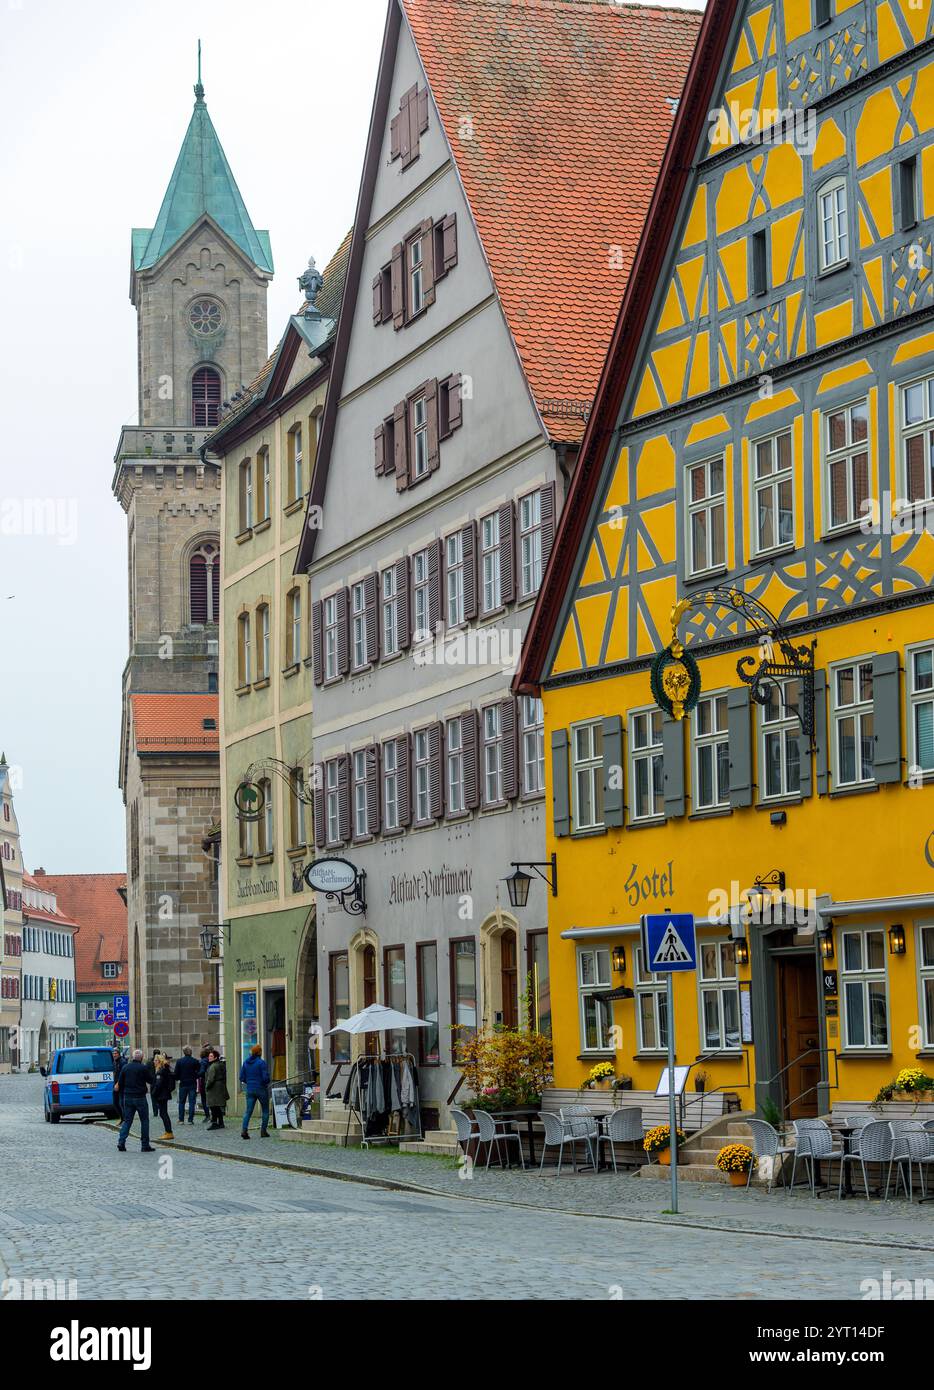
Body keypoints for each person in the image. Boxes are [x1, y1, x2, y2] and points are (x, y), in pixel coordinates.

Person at [116, 1049, 156, 1152]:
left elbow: (120, 1082)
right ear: (141, 1058)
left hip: (128, 1097)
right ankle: (145, 1145)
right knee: (144, 1121)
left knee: (127, 1120)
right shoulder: (143, 1068)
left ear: (133, 1057)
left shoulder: (125, 1067)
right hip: (140, 1097)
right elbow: (151, 1080)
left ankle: (121, 1141)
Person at [239, 1044, 271, 1139]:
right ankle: (263, 1131)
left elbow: (241, 1077)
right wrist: (266, 1082)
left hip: (250, 1089)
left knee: (248, 1111)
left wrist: (248, 1082)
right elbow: (265, 1078)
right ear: (259, 1052)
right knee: (265, 1110)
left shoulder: (245, 1063)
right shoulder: (261, 1063)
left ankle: (244, 1130)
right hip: (261, 1089)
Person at [151, 1053, 176, 1140]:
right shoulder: (164, 1070)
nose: (154, 1062)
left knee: (163, 1114)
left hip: (162, 1095)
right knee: (163, 1113)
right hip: (164, 1094)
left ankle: (169, 1132)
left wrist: (153, 1093)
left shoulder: (160, 1071)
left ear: (159, 1061)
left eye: (155, 1060)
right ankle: (168, 1131)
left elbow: (158, 1084)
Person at [175, 1045, 200, 1126]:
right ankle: (190, 1120)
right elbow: (199, 1071)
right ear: (191, 1052)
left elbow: (176, 1073)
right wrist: (195, 1076)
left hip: (183, 1084)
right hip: (192, 1083)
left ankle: (181, 1119)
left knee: (181, 1102)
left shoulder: (179, 1061)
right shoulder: (195, 1061)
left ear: (184, 1052)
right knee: (192, 1102)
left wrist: (179, 1078)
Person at [204, 1049, 228, 1129]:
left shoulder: (213, 1066)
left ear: (215, 1057)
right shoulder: (221, 1064)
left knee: (213, 1106)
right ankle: (221, 1122)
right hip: (220, 1087)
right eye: (209, 1056)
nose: (209, 1057)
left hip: (214, 1089)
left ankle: (214, 1123)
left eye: (211, 1056)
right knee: (217, 1106)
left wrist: (206, 1086)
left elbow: (210, 1079)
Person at [111, 1046, 127, 1117]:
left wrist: (118, 1084)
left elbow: (122, 1074)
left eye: (115, 1053)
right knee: (115, 1103)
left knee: (122, 1103)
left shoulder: (122, 1062)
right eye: (113, 1053)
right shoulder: (114, 1062)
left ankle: (125, 1119)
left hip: (122, 1085)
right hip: (116, 1085)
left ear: (119, 1054)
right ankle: (122, 1118)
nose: (114, 1055)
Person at [198, 1046, 212, 1122]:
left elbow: (202, 1072)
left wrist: (197, 1074)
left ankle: (207, 1116)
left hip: (203, 1081)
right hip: (210, 1080)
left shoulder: (202, 1061)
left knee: (204, 1099)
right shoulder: (210, 1061)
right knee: (211, 1099)